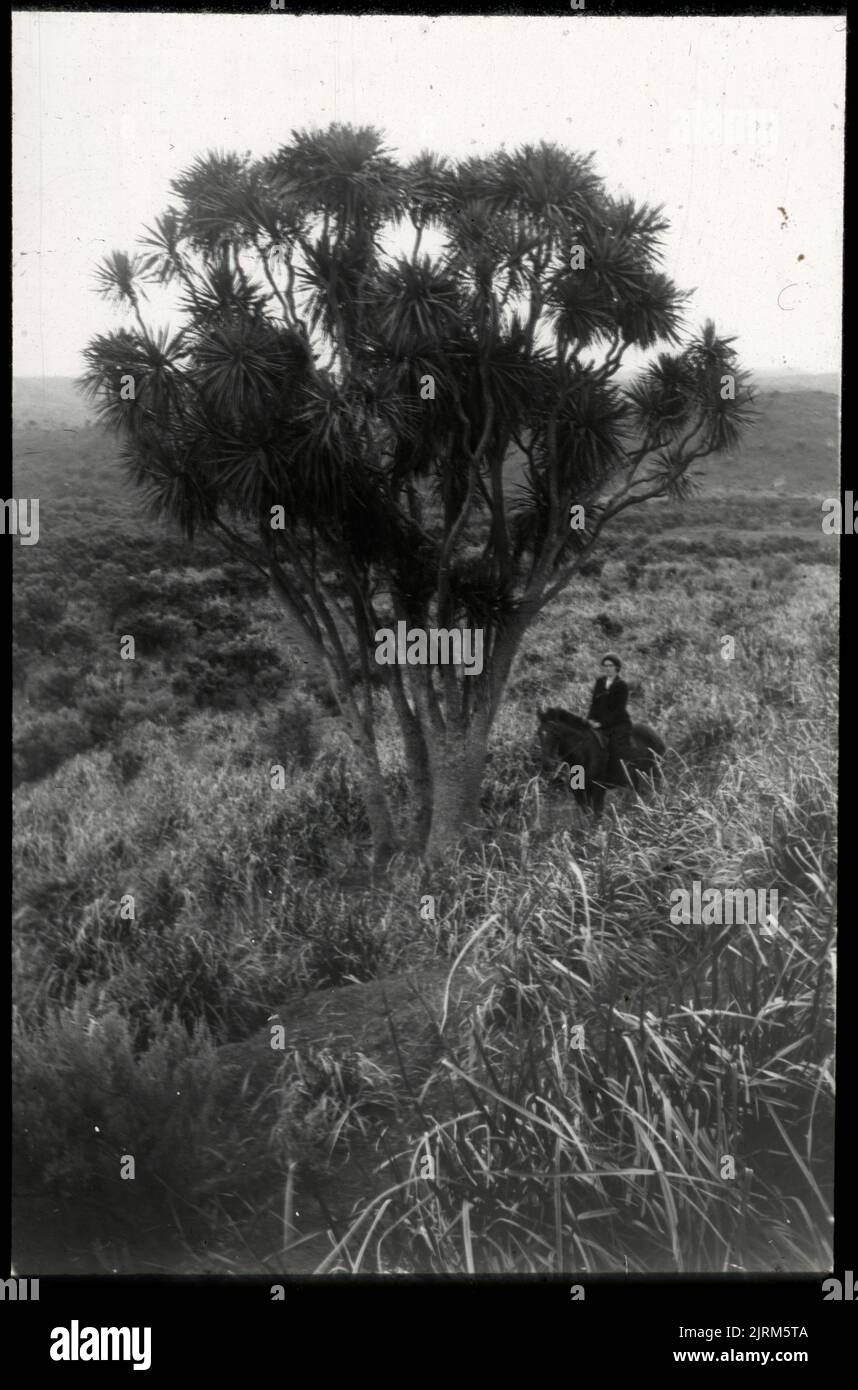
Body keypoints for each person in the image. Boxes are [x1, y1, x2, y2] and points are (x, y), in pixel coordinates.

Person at [587, 653, 633, 783]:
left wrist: (601, 724)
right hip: (597, 723)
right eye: (605, 666)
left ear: (617, 667)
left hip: (618, 724)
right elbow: (594, 703)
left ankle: (618, 781)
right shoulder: (600, 682)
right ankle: (576, 784)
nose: (607, 668)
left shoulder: (621, 685)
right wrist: (590, 719)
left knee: (616, 750)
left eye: (610, 666)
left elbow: (619, 710)